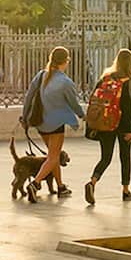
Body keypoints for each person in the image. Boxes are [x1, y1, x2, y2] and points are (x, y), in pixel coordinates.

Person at [84, 48, 131, 205]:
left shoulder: (106, 78)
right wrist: (130, 131)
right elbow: (130, 110)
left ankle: (92, 182)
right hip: (123, 125)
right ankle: (125, 190)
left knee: (106, 157)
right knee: (125, 157)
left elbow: (95, 100)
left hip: (105, 122)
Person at [27, 47, 86, 196]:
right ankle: (35, 184)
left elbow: (29, 96)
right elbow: (74, 103)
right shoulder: (65, 82)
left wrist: (24, 116)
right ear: (66, 61)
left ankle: (60, 186)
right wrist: (82, 115)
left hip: (40, 122)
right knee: (54, 157)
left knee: (52, 156)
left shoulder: (41, 75)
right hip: (56, 124)